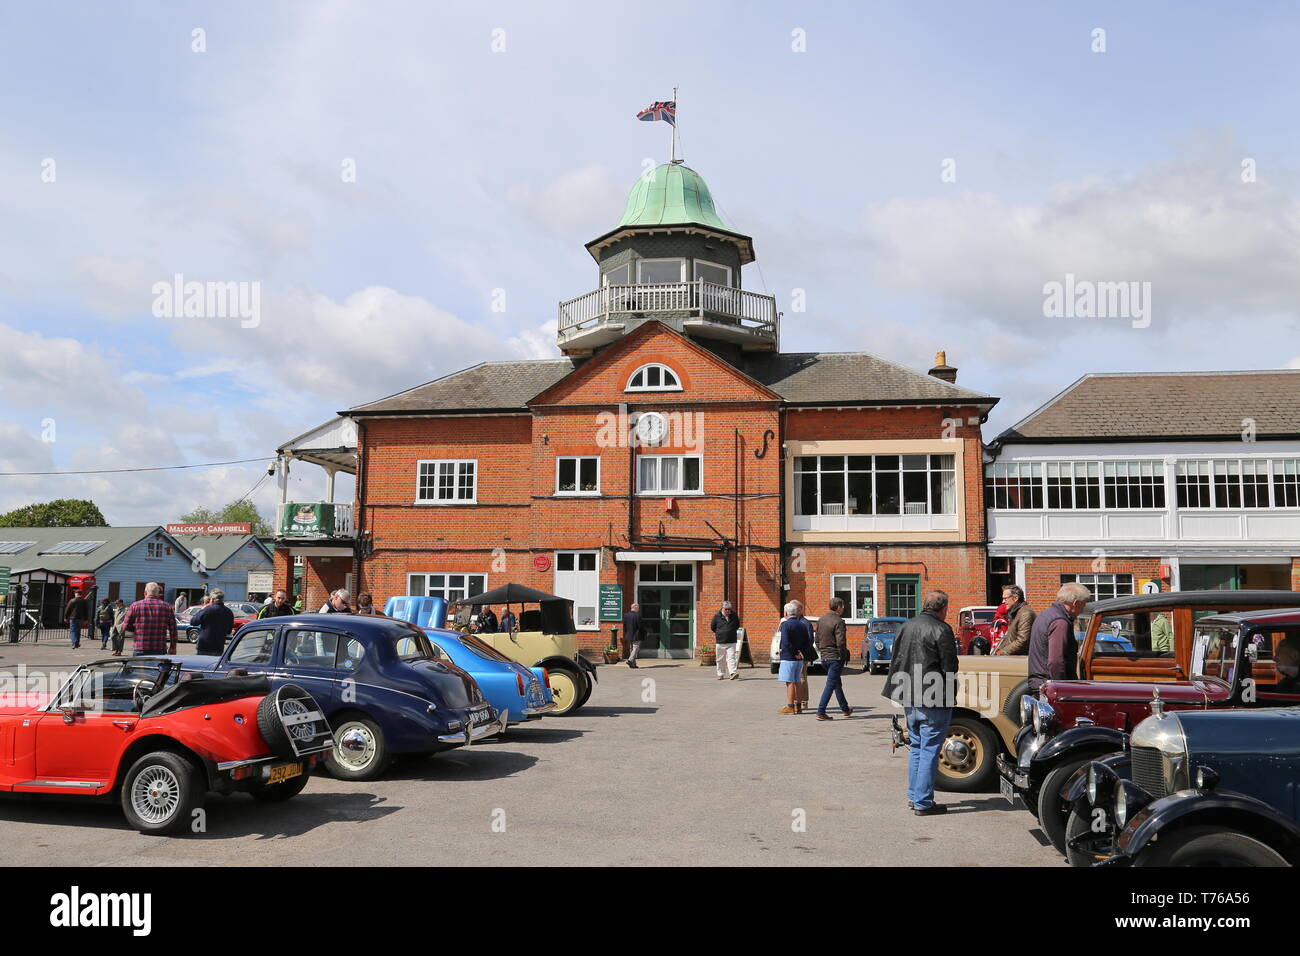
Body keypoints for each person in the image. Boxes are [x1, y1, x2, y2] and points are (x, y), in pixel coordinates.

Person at [883, 589, 959, 815]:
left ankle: (915, 796)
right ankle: (923, 802)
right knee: (928, 750)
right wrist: (951, 694)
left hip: (909, 694)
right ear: (943, 608)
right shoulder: (941, 629)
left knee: (917, 747)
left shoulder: (906, 626)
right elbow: (949, 666)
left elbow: (896, 659)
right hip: (932, 696)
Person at [1027, 582, 1092, 692]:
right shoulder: (1060, 622)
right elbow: (1056, 661)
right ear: (1075, 603)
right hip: (1050, 686)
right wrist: (1061, 688)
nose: (1083, 610)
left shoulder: (1045, 614)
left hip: (1040, 682)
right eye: (1083, 604)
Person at [814, 597, 852, 720]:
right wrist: (843, 655)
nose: (843, 609)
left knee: (836, 683)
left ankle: (845, 709)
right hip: (835, 656)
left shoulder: (821, 620)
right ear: (838, 607)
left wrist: (822, 651)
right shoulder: (839, 621)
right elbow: (841, 642)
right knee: (831, 684)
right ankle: (821, 711)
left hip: (825, 656)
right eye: (842, 607)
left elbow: (817, 639)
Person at [777, 600, 814, 714]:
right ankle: (798, 705)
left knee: (789, 681)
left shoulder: (785, 625)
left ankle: (790, 706)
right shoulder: (802, 624)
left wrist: (794, 652)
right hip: (800, 658)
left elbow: (786, 642)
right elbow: (808, 641)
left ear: (786, 613)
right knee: (798, 680)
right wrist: (801, 652)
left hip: (789, 657)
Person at [123, 582, 178, 656]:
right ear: (158, 593)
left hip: (140, 647)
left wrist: (137, 629)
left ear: (145, 592)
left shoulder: (135, 606)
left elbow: (125, 626)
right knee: (157, 667)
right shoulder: (167, 607)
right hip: (159, 648)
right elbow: (173, 630)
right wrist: (173, 647)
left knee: (139, 667)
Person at [189, 588, 235, 656]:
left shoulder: (207, 610)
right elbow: (229, 631)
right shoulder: (229, 612)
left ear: (212, 600)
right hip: (219, 647)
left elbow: (193, 622)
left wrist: (202, 609)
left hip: (204, 646)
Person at [994, 585, 1036, 656]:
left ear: (1015, 598)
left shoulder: (1025, 613)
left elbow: (1023, 640)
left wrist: (1002, 652)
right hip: (1015, 658)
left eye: (1005, 598)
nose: (1003, 601)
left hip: (1022, 660)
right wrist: (997, 651)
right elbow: (1010, 638)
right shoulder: (1015, 613)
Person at [710, 600, 741, 680]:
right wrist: (720, 633)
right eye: (726, 609)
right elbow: (713, 627)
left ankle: (732, 673)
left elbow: (737, 625)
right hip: (720, 641)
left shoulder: (734, 616)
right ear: (722, 608)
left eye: (729, 609)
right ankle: (720, 674)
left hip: (731, 641)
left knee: (731, 658)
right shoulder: (717, 616)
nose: (728, 611)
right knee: (720, 659)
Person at [622, 602, 644, 668]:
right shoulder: (638, 615)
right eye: (638, 608)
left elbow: (624, 626)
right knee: (636, 648)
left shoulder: (626, 615)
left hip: (629, 634)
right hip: (636, 635)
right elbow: (640, 626)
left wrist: (626, 633)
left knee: (631, 649)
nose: (638, 609)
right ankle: (630, 660)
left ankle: (633, 665)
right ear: (636, 608)